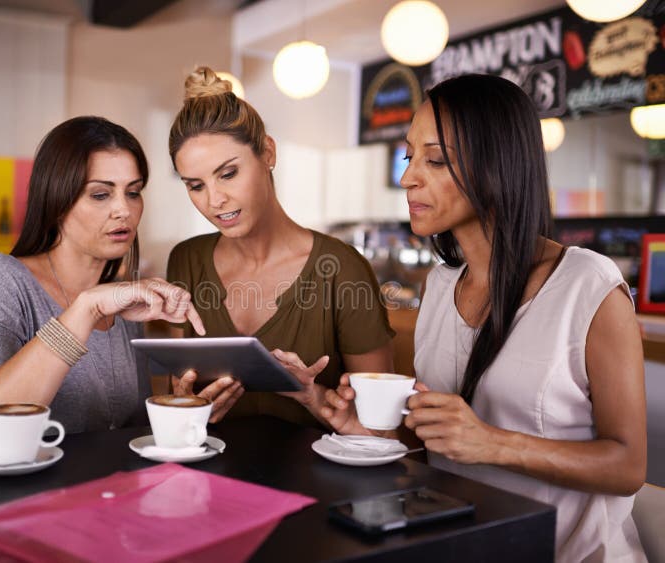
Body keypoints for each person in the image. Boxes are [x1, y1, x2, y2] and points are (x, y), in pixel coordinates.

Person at [321, 74, 647, 561]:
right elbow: (445, 442)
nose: (409, 178)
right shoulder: (439, 286)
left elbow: (627, 466)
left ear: (498, 165)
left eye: (435, 160)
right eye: (410, 157)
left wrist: (493, 443)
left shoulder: (587, 285)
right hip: (464, 545)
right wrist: (376, 431)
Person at [0, 116, 220, 448]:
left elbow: (123, 430)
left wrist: (178, 405)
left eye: (133, 192)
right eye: (100, 194)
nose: (124, 209)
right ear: (57, 202)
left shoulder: (122, 302)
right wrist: (88, 308)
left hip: (63, 478)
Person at [166, 66, 396, 428]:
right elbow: (177, 398)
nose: (214, 200)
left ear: (268, 153)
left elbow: (383, 432)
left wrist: (314, 397)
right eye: (195, 186)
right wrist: (185, 409)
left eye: (228, 173)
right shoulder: (186, 260)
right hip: (210, 465)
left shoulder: (341, 268)